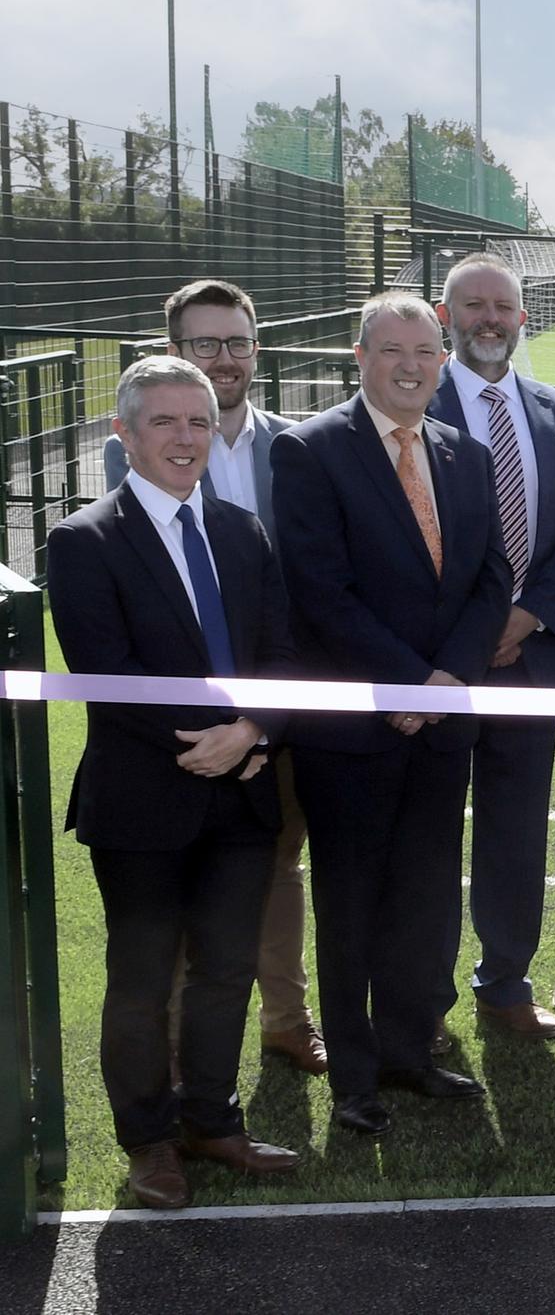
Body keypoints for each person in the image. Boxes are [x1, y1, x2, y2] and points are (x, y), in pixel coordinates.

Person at [50, 356, 301, 1209]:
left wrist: (253, 732)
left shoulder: (243, 532)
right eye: (164, 422)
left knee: (227, 969)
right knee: (143, 981)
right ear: (123, 435)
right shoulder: (82, 541)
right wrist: (212, 743)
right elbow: (106, 674)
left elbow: (280, 658)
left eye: (197, 421)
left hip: (242, 792)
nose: (185, 438)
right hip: (142, 801)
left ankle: (212, 1120)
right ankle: (149, 1141)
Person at [273, 293, 513, 1137]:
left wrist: (447, 679)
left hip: (441, 721)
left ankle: (411, 1051)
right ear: (359, 355)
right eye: (394, 350)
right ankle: (355, 1075)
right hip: (356, 731)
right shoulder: (308, 450)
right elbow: (320, 592)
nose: (412, 365)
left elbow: (490, 580)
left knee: (423, 895)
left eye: (427, 351)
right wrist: (411, 683)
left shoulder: (465, 454)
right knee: (350, 902)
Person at [103, 279, 324, 1075]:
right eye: (205, 343)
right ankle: (166, 1046)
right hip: (175, 724)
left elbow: (298, 583)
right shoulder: (128, 449)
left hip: (274, 703)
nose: (224, 358)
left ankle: (288, 1019)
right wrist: (210, 728)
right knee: (167, 898)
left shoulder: (293, 443)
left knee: (276, 867)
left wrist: (261, 721)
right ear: (173, 350)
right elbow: (131, 595)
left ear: (256, 350)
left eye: (237, 341)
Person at [427, 251, 555, 1045]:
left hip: (529, 663)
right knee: (427, 837)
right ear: (446, 317)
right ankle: (419, 999)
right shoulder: (411, 402)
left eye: (503, 305)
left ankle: (504, 985)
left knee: (516, 831)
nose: (489, 319)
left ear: (522, 317)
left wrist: (528, 615)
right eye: (474, 305)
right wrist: (469, 631)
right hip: (433, 668)